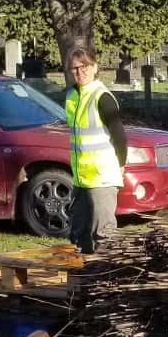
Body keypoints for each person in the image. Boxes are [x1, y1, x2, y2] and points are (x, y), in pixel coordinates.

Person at [62, 47, 129, 253]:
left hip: (102, 177)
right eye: (75, 68)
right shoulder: (72, 95)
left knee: (104, 233)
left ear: (94, 67)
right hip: (81, 178)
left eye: (85, 67)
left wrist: (121, 165)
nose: (80, 72)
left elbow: (120, 137)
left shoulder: (102, 97)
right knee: (79, 233)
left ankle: (108, 280)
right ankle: (82, 278)